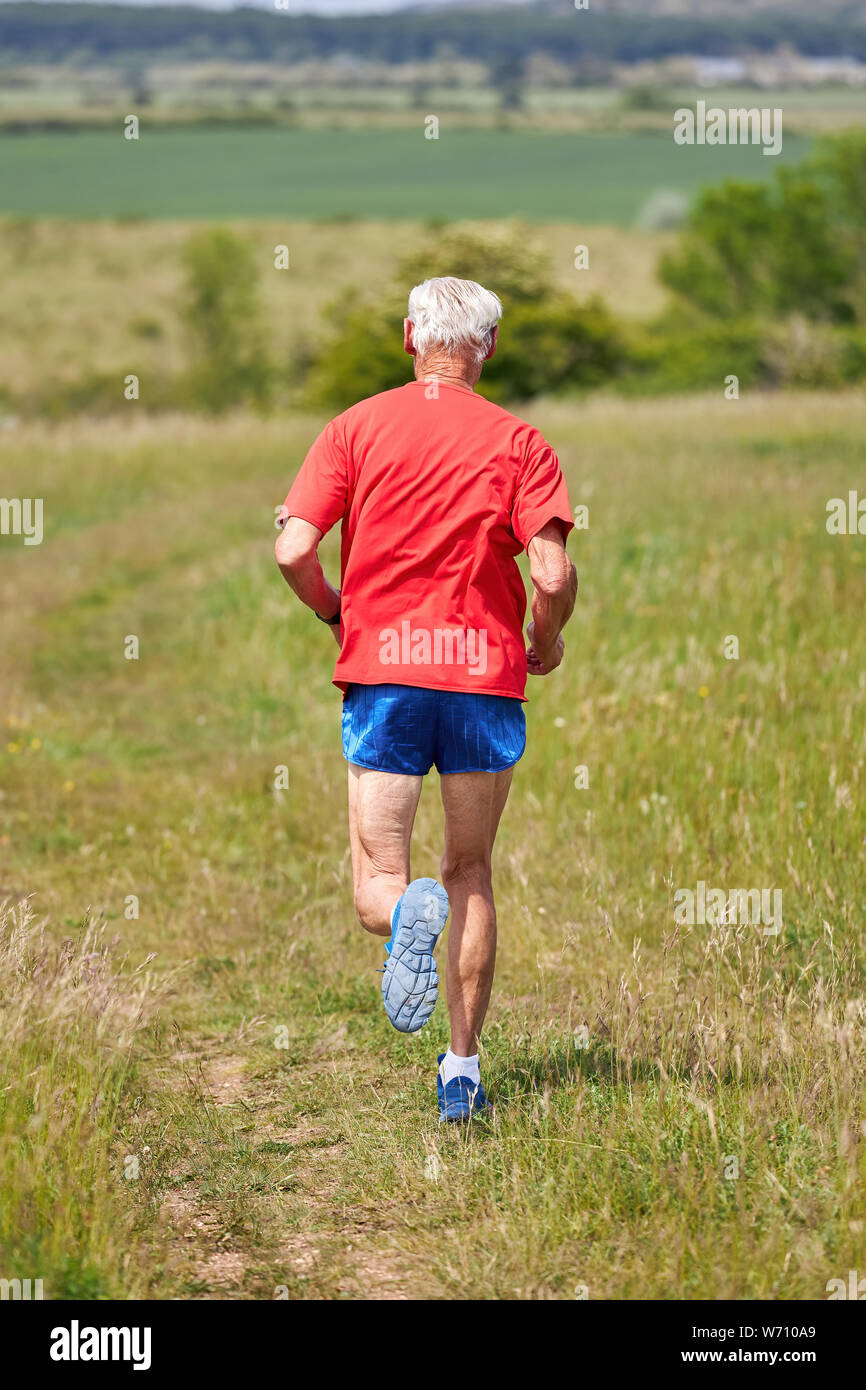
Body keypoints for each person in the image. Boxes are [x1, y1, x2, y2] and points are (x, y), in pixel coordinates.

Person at [275, 276, 576, 1121]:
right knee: (471, 868)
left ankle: (409, 910)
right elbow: (551, 571)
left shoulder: (355, 427)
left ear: (410, 337)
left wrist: (340, 613)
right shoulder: (522, 441)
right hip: (482, 678)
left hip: (388, 673)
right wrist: (543, 640)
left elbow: (293, 549)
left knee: (384, 878)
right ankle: (463, 1070)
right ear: (490, 347)